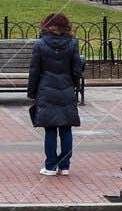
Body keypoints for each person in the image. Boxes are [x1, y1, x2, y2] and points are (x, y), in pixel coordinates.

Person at [27, 11, 85, 177]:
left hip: (46, 89)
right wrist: (73, 86)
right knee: (66, 129)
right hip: (66, 89)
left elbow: (34, 71)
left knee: (50, 130)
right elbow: (76, 70)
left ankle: (50, 165)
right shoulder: (72, 44)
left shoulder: (40, 44)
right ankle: (65, 165)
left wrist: (32, 92)